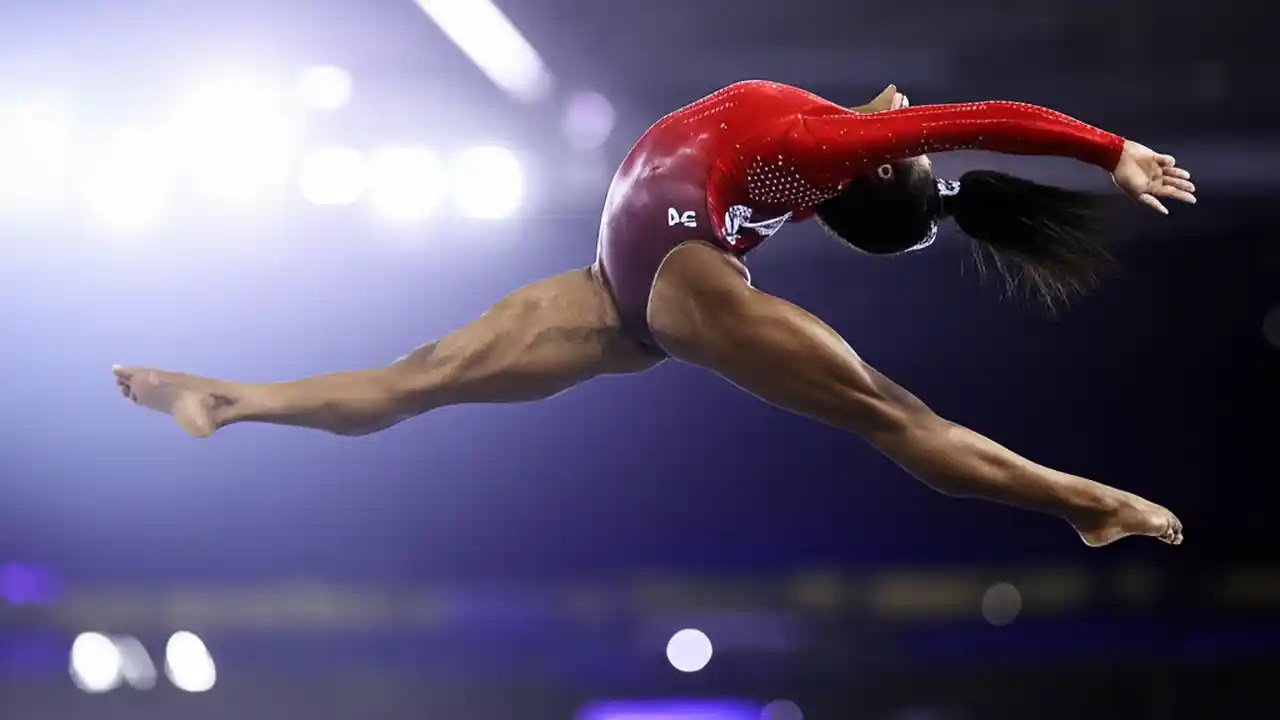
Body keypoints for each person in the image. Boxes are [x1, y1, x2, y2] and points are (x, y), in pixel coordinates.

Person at [113, 80, 1195, 547]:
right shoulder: (810, 174)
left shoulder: (827, 148)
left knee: (887, 412)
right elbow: (939, 139)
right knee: (415, 378)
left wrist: (1109, 153)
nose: (907, 114)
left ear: (876, 173)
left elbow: (987, 119)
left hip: (668, 278)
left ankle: (1079, 502)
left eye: (905, 147)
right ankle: (228, 396)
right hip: (614, 293)